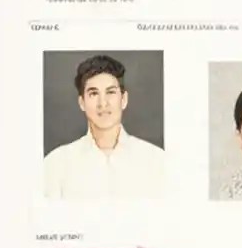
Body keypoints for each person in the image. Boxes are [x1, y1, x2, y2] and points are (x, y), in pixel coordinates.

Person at [42, 54, 166, 201]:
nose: (103, 103)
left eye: (111, 92)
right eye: (94, 93)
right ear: (82, 102)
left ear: (124, 99)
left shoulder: (156, 161)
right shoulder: (56, 165)